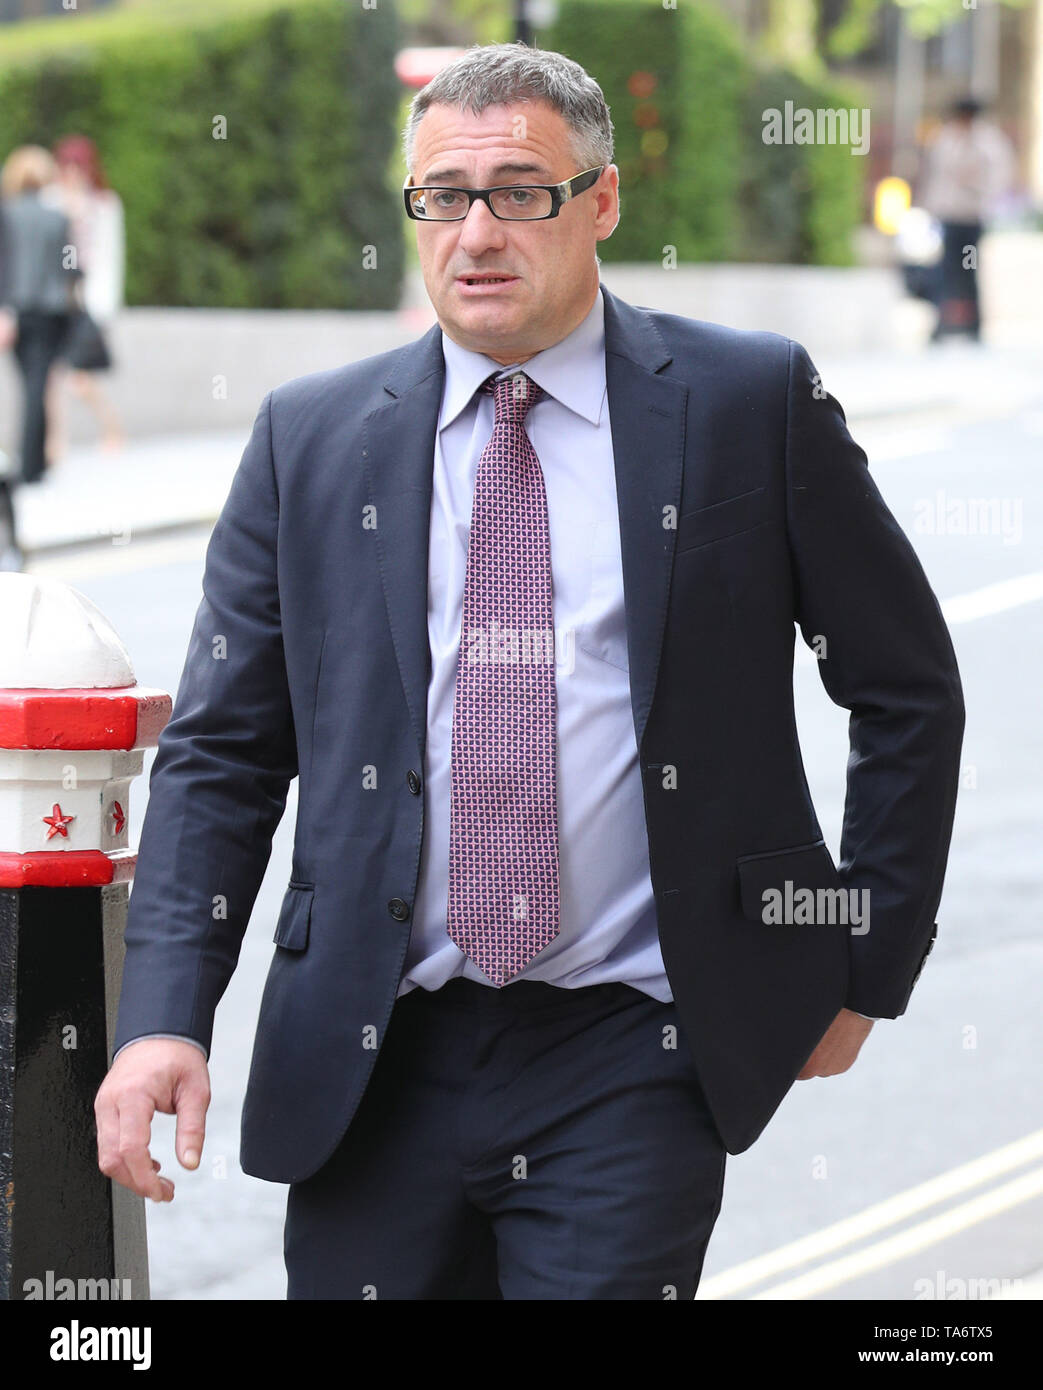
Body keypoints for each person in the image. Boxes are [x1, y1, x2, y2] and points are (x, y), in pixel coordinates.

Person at [95, 44, 965, 1300]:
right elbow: (227, 753)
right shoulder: (311, 436)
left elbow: (903, 690)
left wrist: (860, 955)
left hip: (633, 1048)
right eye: (442, 197)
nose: (476, 233)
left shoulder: (743, 402)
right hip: (374, 1050)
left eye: (520, 192)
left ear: (599, 204)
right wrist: (164, 1015)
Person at [0, 145, 79, 485]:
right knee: (39, 382)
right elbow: (71, 266)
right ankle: (36, 462)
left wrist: (5, 309)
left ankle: (30, 465)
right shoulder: (58, 216)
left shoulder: (7, 214)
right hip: (52, 311)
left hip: (19, 309)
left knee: (32, 384)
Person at [43, 134, 125, 456]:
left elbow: (111, 256)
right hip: (56, 298)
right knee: (52, 375)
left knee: (78, 378)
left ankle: (112, 428)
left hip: (88, 302)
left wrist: (106, 308)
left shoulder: (104, 204)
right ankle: (55, 443)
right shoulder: (51, 201)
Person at [918, 96, 1016, 342]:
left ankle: (974, 325)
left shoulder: (988, 141)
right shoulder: (946, 138)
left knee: (969, 268)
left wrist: (977, 186)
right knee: (945, 271)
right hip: (950, 217)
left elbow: (1000, 175)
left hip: (972, 218)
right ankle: (943, 322)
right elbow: (936, 175)